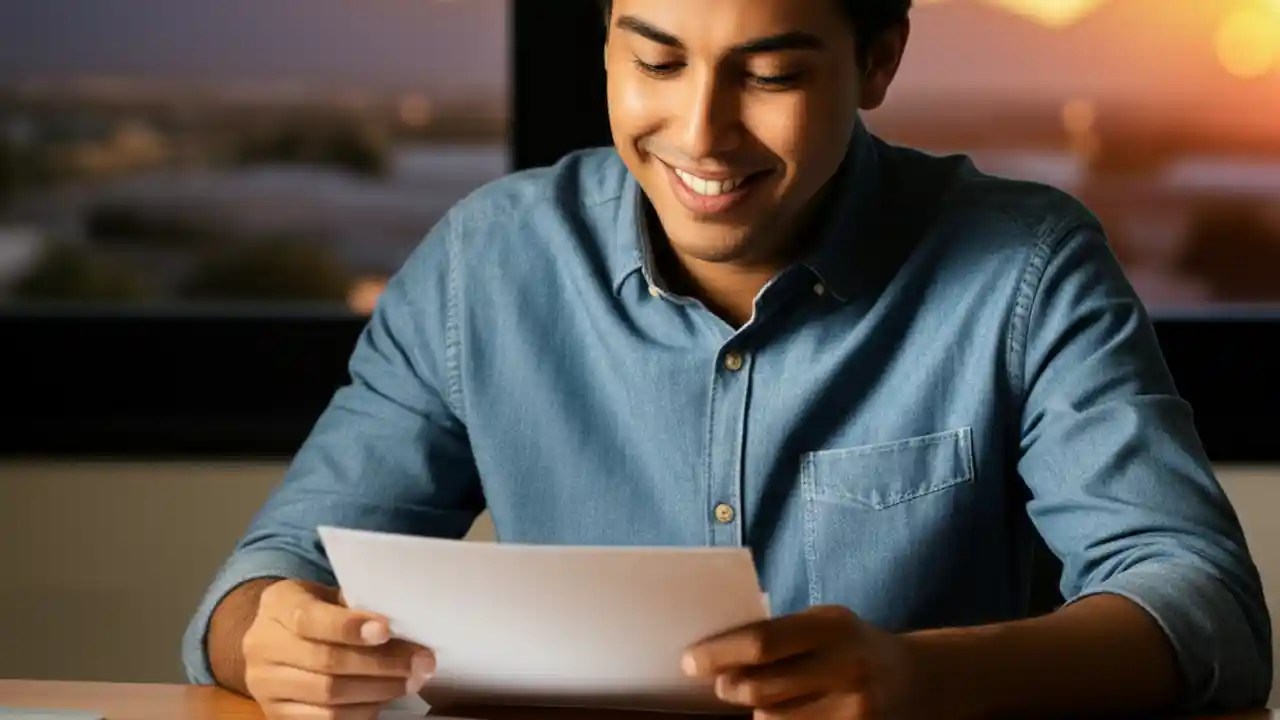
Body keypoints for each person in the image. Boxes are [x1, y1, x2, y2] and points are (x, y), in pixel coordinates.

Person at [183, 0, 1272, 717]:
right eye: (655, 60)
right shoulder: (486, 259)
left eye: (769, 74)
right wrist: (269, 636)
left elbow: (1203, 611)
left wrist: (912, 680)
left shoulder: (1024, 266)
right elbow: (258, 585)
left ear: (878, 58)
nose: (699, 133)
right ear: (605, 44)